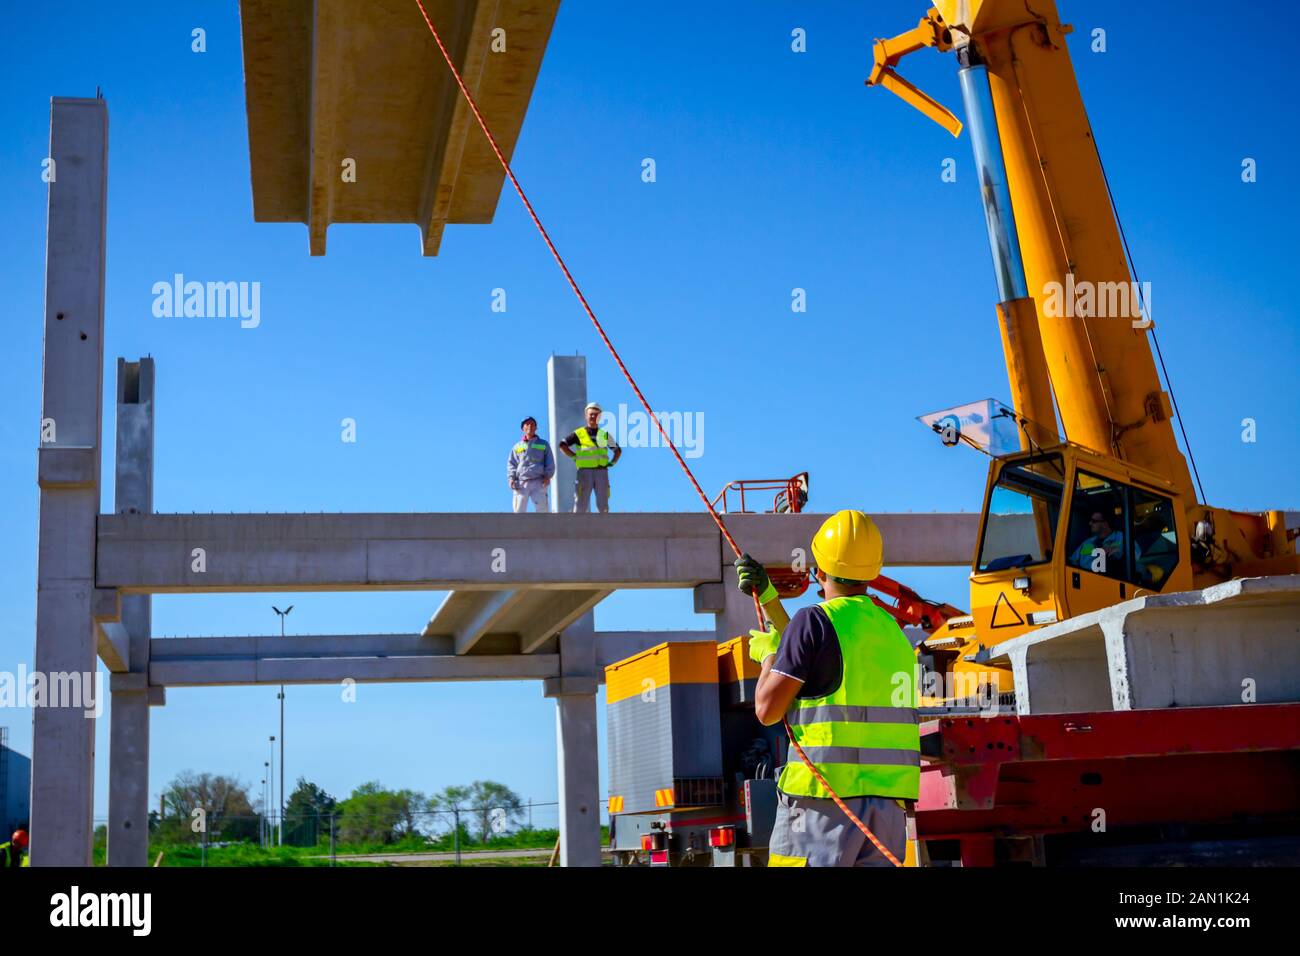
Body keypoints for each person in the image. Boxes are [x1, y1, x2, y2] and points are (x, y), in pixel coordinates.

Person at [734, 510, 920, 867]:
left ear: (819, 569)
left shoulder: (814, 622)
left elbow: (768, 709)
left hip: (823, 805)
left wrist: (769, 655)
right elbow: (820, 659)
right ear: (873, 570)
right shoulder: (892, 633)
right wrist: (770, 598)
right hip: (886, 811)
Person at [558, 401, 621, 513]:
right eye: (591, 414)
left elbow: (617, 450)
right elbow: (562, 445)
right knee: (581, 502)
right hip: (584, 472)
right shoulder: (578, 433)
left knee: (603, 504)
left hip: (601, 472)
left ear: (599, 417)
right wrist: (574, 457)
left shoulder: (604, 435)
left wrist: (612, 463)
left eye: (596, 414)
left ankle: (603, 528)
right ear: (586, 416)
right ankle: (578, 528)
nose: (593, 416)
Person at [507, 416, 555, 513]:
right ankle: (518, 528)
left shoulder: (544, 444)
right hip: (521, 482)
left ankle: (543, 528)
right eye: (527, 424)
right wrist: (511, 478)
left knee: (542, 509)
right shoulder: (517, 447)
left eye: (532, 424)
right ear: (522, 428)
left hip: (539, 481)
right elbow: (512, 464)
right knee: (518, 511)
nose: (530, 426)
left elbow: (549, 461)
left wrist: (547, 476)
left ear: (536, 428)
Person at [1070, 508, 1127, 573]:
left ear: (1105, 523)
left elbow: (1137, 559)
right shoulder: (1088, 542)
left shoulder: (1122, 538)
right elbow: (1073, 561)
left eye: (1093, 521)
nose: (1090, 523)